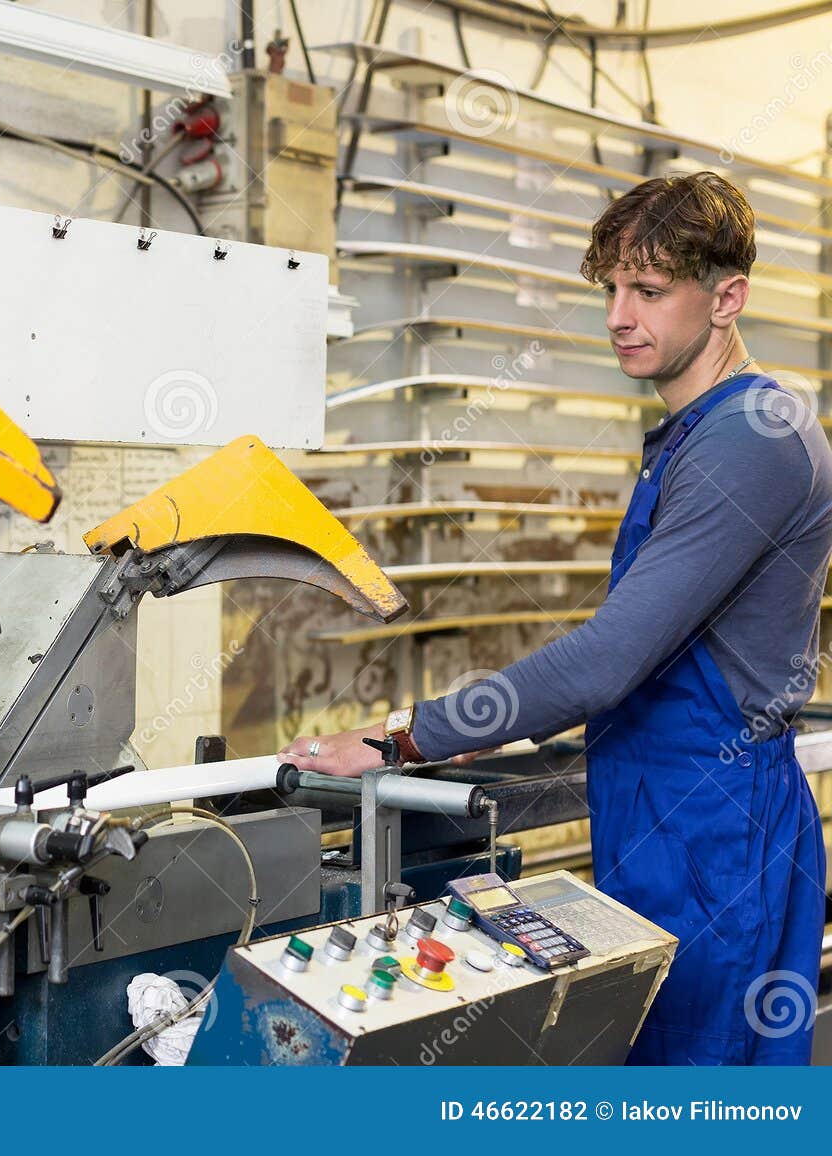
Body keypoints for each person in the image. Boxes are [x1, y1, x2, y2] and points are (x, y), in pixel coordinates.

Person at [282, 171, 830, 1065]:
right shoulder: (697, 433)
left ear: (727, 297)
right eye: (611, 287)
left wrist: (404, 739)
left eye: (649, 291)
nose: (619, 314)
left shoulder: (753, 438)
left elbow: (611, 658)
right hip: (661, 808)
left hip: (711, 826)